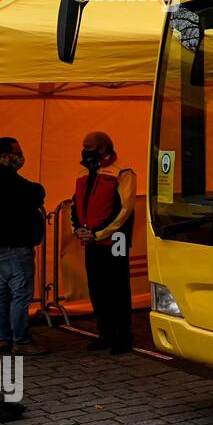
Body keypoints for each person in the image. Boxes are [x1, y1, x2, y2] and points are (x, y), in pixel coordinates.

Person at [71, 131, 136, 354]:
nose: (84, 151)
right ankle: (105, 333)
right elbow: (76, 205)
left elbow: (125, 210)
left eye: (89, 147)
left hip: (115, 239)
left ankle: (122, 336)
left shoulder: (123, 172)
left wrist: (99, 233)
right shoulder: (83, 173)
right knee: (97, 288)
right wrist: (78, 229)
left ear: (103, 148)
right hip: (92, 240)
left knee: (117, 287)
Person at [0, 137, 49, 356]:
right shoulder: (5, 179)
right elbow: (34, 191)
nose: (20, 157)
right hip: (14, 247)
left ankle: (2, 337)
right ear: (3, 156)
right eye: (16, 153)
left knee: (6, 293)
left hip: (1, 246)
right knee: (20, 293)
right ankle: (21, 339)